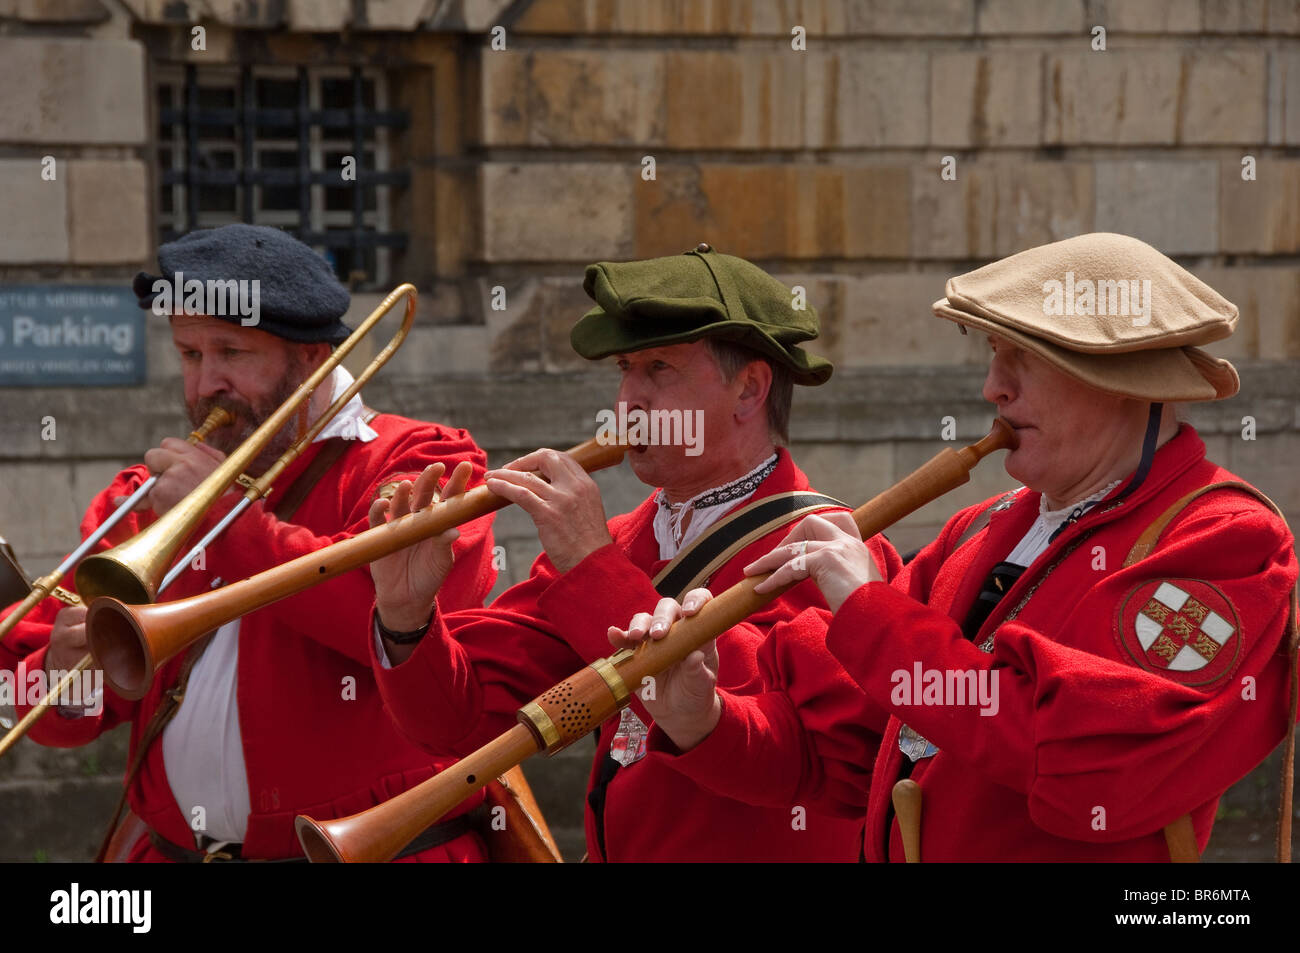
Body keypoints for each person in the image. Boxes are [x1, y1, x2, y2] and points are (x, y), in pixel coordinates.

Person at [616, 232, 1298, 862]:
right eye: (994, 356)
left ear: (1119, 380)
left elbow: (1090, 765)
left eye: (1023, 360)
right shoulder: (977, 529)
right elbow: (839, 760)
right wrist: (702, 717)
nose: (992, 387)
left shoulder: (1224, 538)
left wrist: (868, 605)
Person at [369, 244, 903, 861]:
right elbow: (460, 724)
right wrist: (406, 617)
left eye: (659, 369)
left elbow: (806, 761)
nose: (629, 398)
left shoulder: (830, 547)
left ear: (750, 390)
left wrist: (594, 566)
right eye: (625, 368)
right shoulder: (620, 540)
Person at [2, 224, 498, 862]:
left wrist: (233, 525)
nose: (206, 384)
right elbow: (45, 692)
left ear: (312, 358)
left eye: (231, 353)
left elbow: (382, 620)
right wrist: (60, 681)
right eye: (189, 355)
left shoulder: (423, 460)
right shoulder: (147, 491)